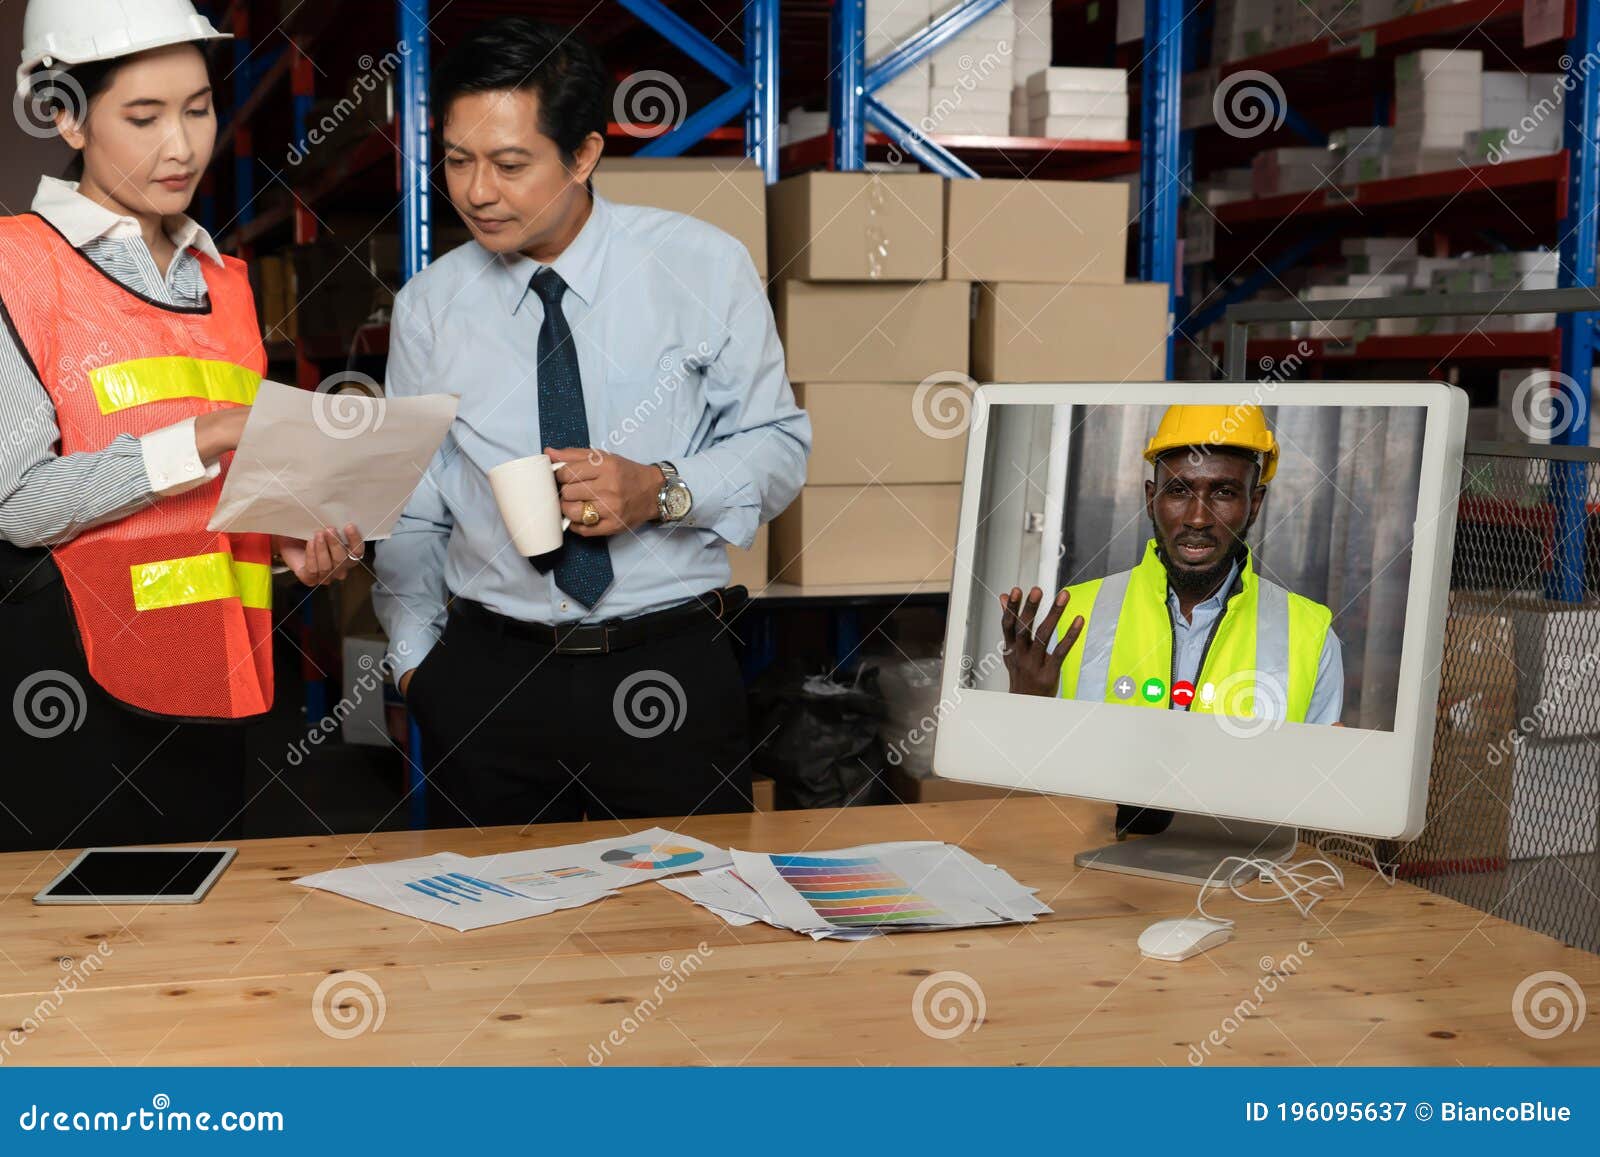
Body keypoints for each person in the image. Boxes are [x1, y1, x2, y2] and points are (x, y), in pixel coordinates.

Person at [373, 18, 810, 828]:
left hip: (669, 674)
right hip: (487, 680)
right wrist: (413, 666)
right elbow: (413, 504)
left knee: (689, 930)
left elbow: (779, 447)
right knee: (493, 938)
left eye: (509, 164)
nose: (475, 191)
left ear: (583, 154)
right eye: (458, 160)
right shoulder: (430, 307)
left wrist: (661, 491)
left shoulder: (701, 266)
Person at [0, 0, 363, 853]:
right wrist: (206, 437)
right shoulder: (18, 265)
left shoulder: (224, 280)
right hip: (69, 688)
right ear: (64, 115)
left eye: (198, 109)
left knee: (204, 950)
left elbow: (223, 499)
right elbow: (17, 504)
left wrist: (289, 547)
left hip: (215, 679)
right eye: (143, 116)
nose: (182, 145)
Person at [1000, 404, 1343, 726]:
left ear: (1254, 504)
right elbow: (1033, 775)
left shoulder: (1310, 635)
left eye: (1223, 492)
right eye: (1179, 491)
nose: (1197, 519)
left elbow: (1310, 781)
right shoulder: (1073, 618)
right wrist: (1025, 710)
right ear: (1152, 499)